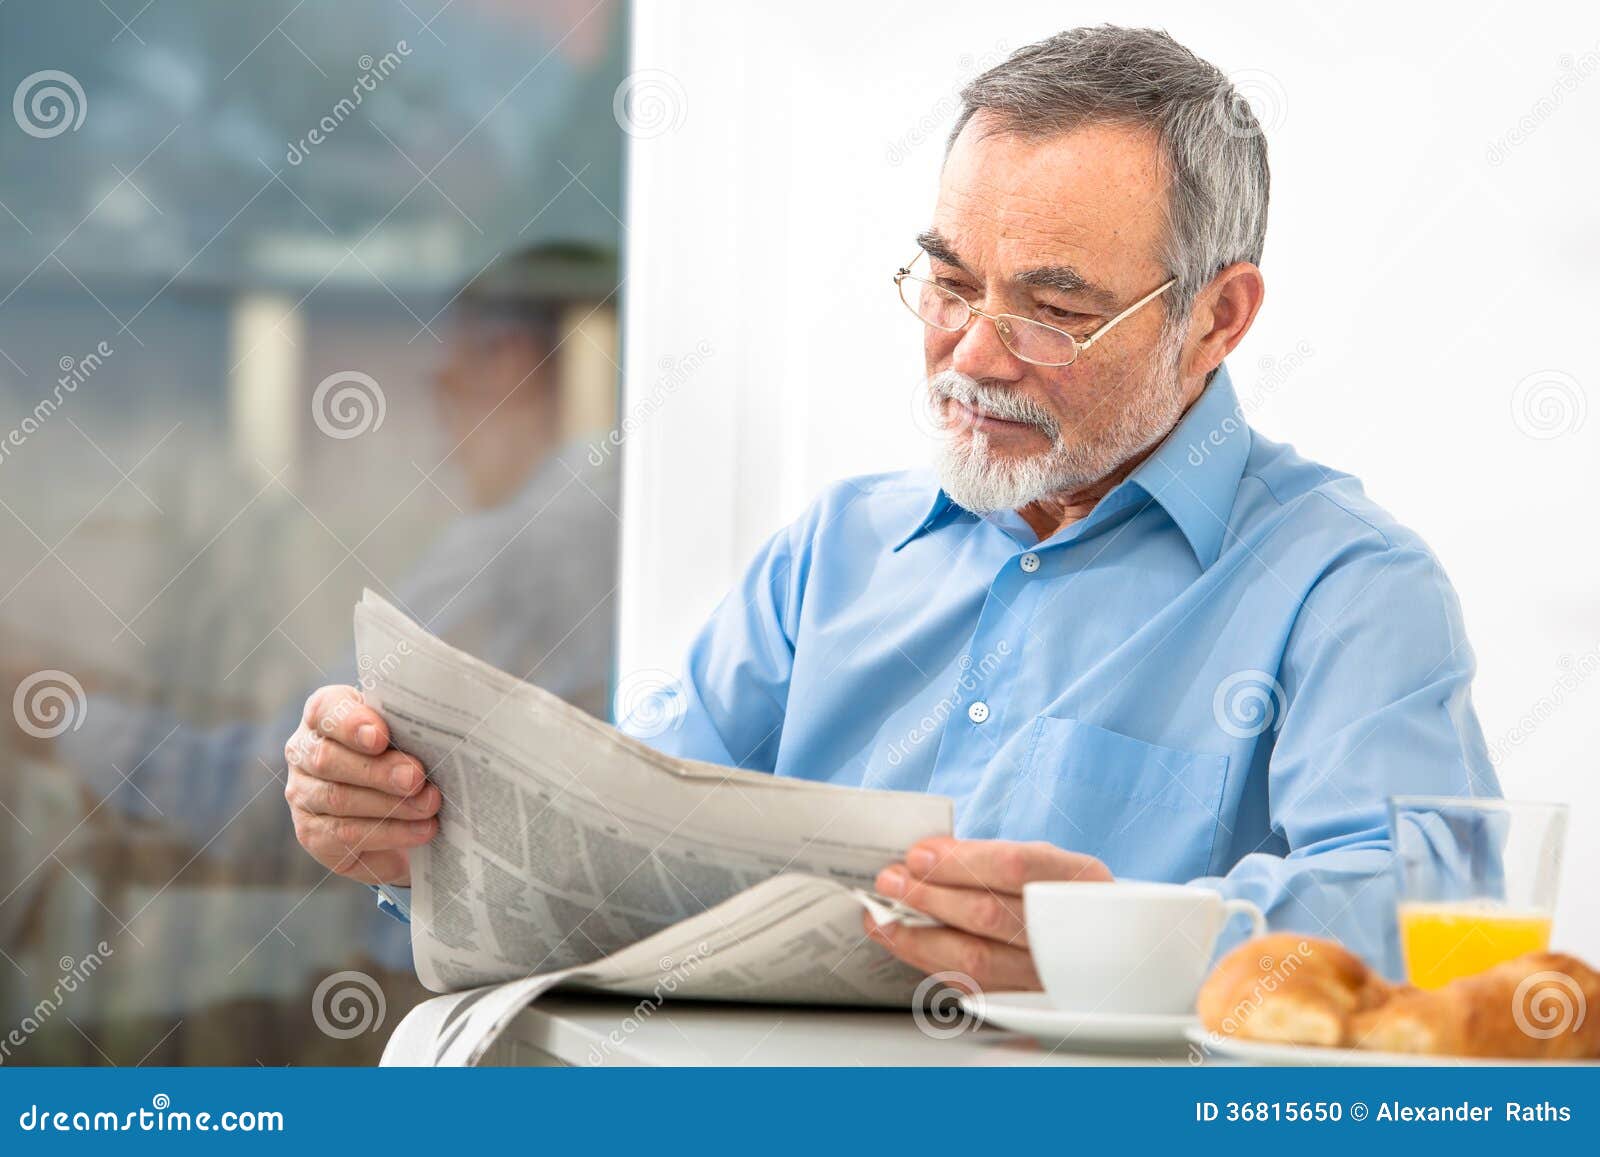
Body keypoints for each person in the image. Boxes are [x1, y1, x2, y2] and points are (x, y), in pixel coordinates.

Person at [283, 27, 1497, 983]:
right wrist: (416, 832)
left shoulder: (1346, 587)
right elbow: (625, 854)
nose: (973, 353)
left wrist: (1122, 942)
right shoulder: (832, 554)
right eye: (951, 283)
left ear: (1217, 318)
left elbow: (1434, 918)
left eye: (1053, 309)